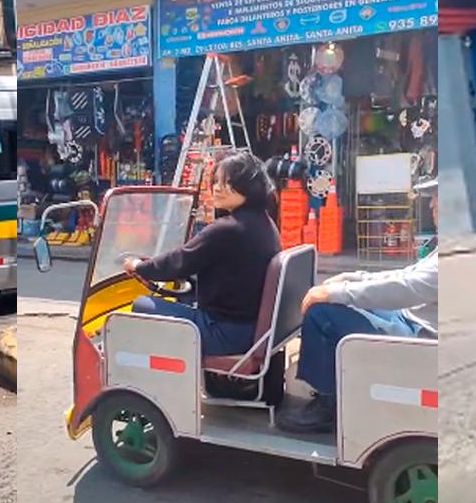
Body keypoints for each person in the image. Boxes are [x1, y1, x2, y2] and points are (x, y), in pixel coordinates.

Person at [275, 180, 439, 434]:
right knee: (331, 301)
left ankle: (327, 407)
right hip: (409, 321)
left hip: (420, 338)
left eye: (439, 198)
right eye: (434, 198)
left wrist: (338, 293)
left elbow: (405, 288)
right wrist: (351, 278)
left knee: (322, 314)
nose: (433, 205)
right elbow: (404, 275)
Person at [123, 152, 281, 356]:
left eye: (227, 183)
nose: (217, 188)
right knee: (184, 297)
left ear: (249, 187)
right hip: (248, 329)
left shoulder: (228, 229)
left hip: (224, 333)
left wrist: (138, 266)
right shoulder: (264, 223)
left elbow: (178, 261)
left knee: (142, 305)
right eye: (216, 181)